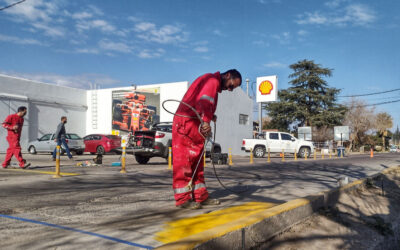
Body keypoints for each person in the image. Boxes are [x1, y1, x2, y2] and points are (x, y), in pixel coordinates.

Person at [172, 69, 242, 209]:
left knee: (197, 163)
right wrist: (205, 121)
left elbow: (202, 103)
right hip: (186, 124)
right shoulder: (212, 80)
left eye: (232, 88)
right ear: (227, 75)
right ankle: (183, 199)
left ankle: (200, 196)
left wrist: (210, 116)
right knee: (184, 162)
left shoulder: (212, 84)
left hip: (194, 125)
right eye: (231, 85)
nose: (230, 90)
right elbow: (204, 101)